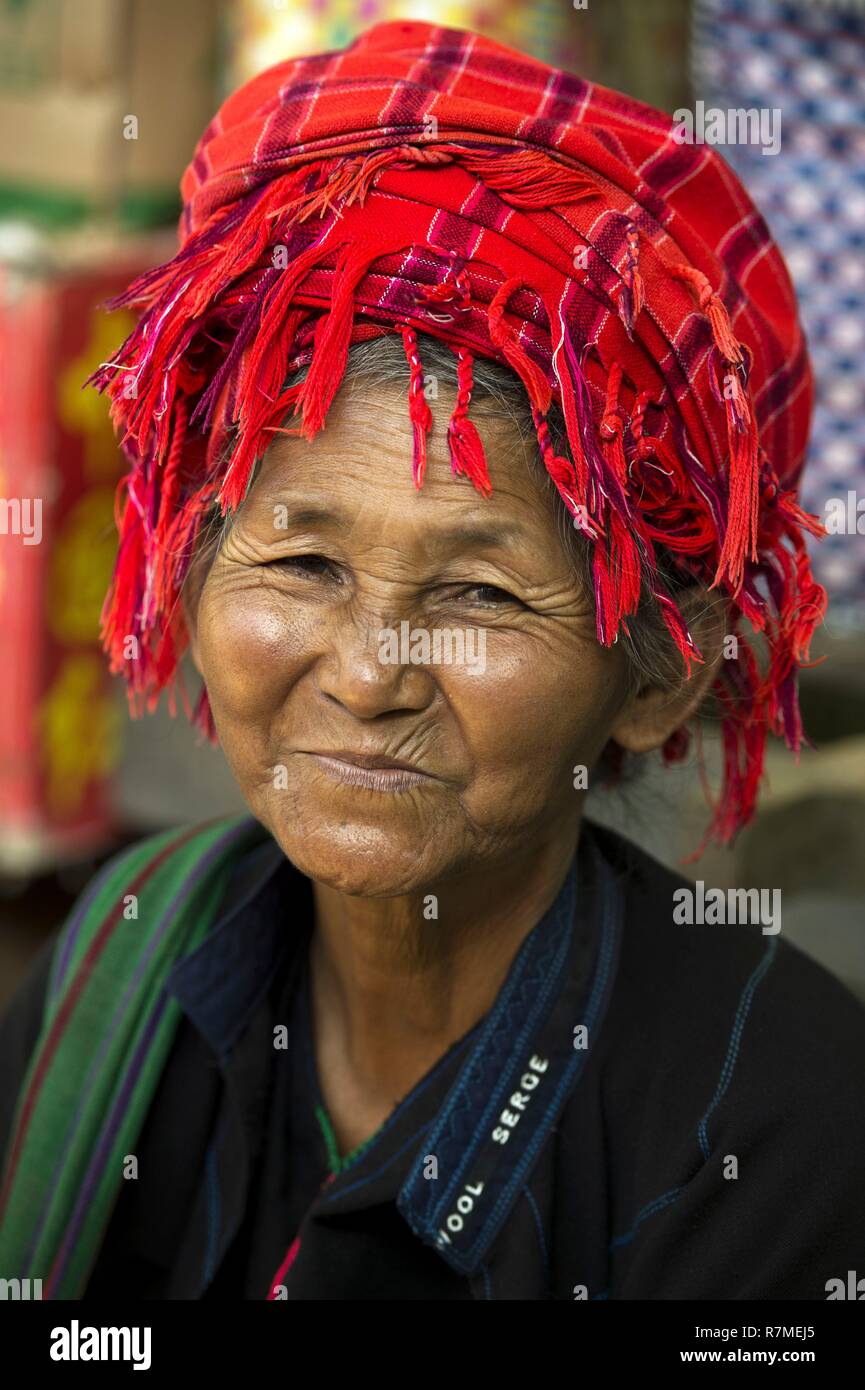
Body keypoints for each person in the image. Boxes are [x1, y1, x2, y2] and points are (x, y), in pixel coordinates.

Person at [1, 19, 863, 1301]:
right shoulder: (121, 959)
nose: (369, 672)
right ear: (187, 565)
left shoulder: (777, 1124)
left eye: (477, 591)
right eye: (302, 565)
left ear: (664, 672)